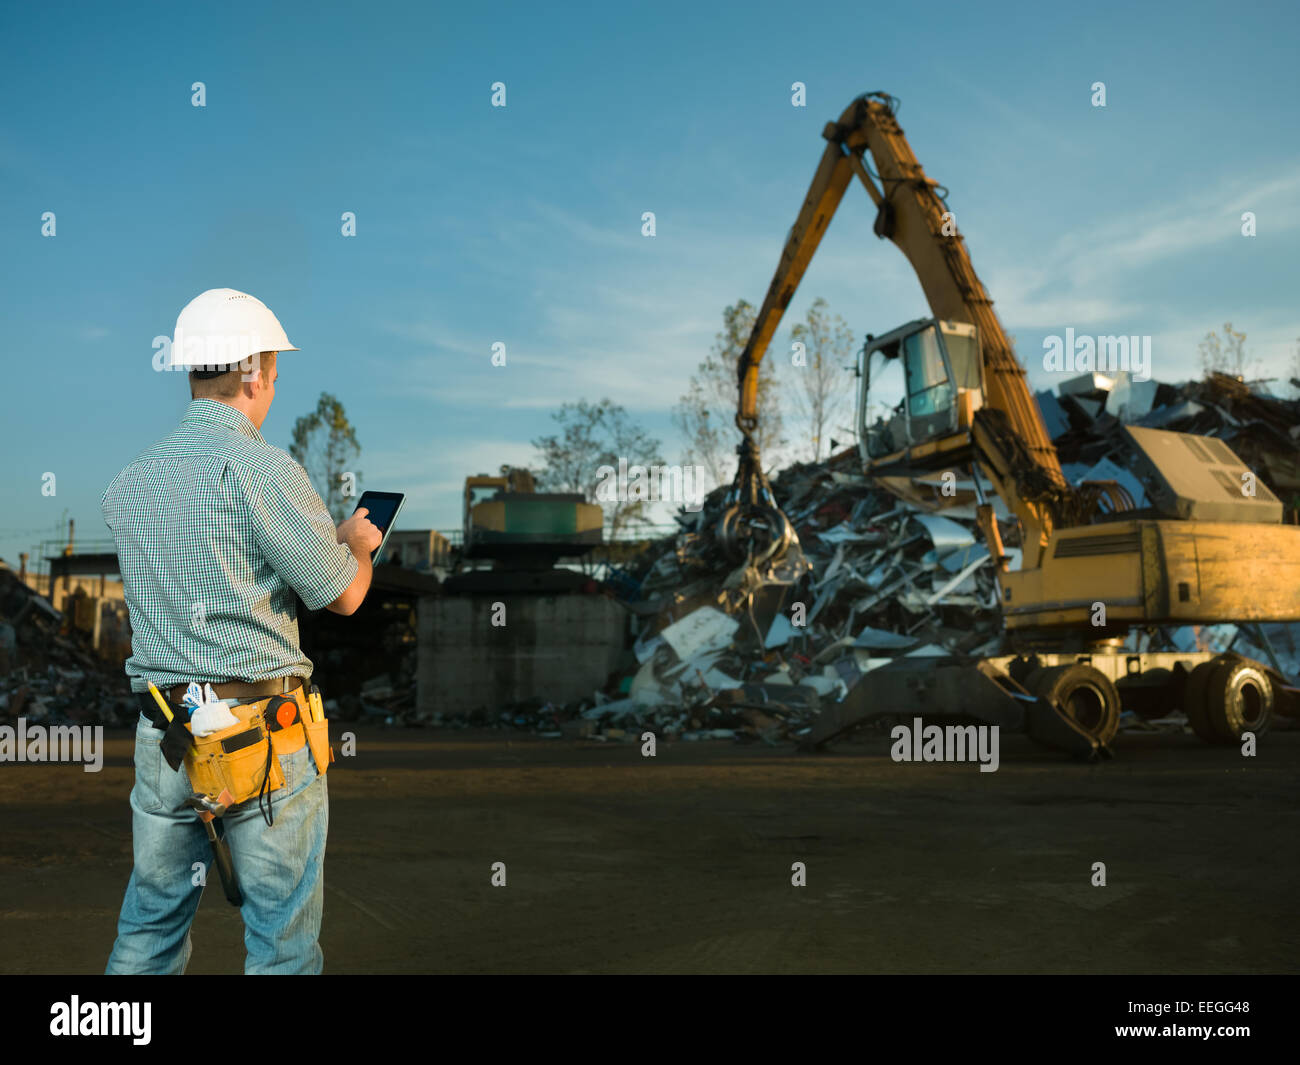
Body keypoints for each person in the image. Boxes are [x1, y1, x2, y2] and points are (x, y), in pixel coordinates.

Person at [102, 288, 381, 974]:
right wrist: (359, 545)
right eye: (275, 371)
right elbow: (342, 595)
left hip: (166, 734)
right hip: (260, 738)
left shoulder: (129, 483)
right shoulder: (263, 468)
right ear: (255, 370)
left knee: (150, 927)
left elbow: (209, 570)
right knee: (281, 942)